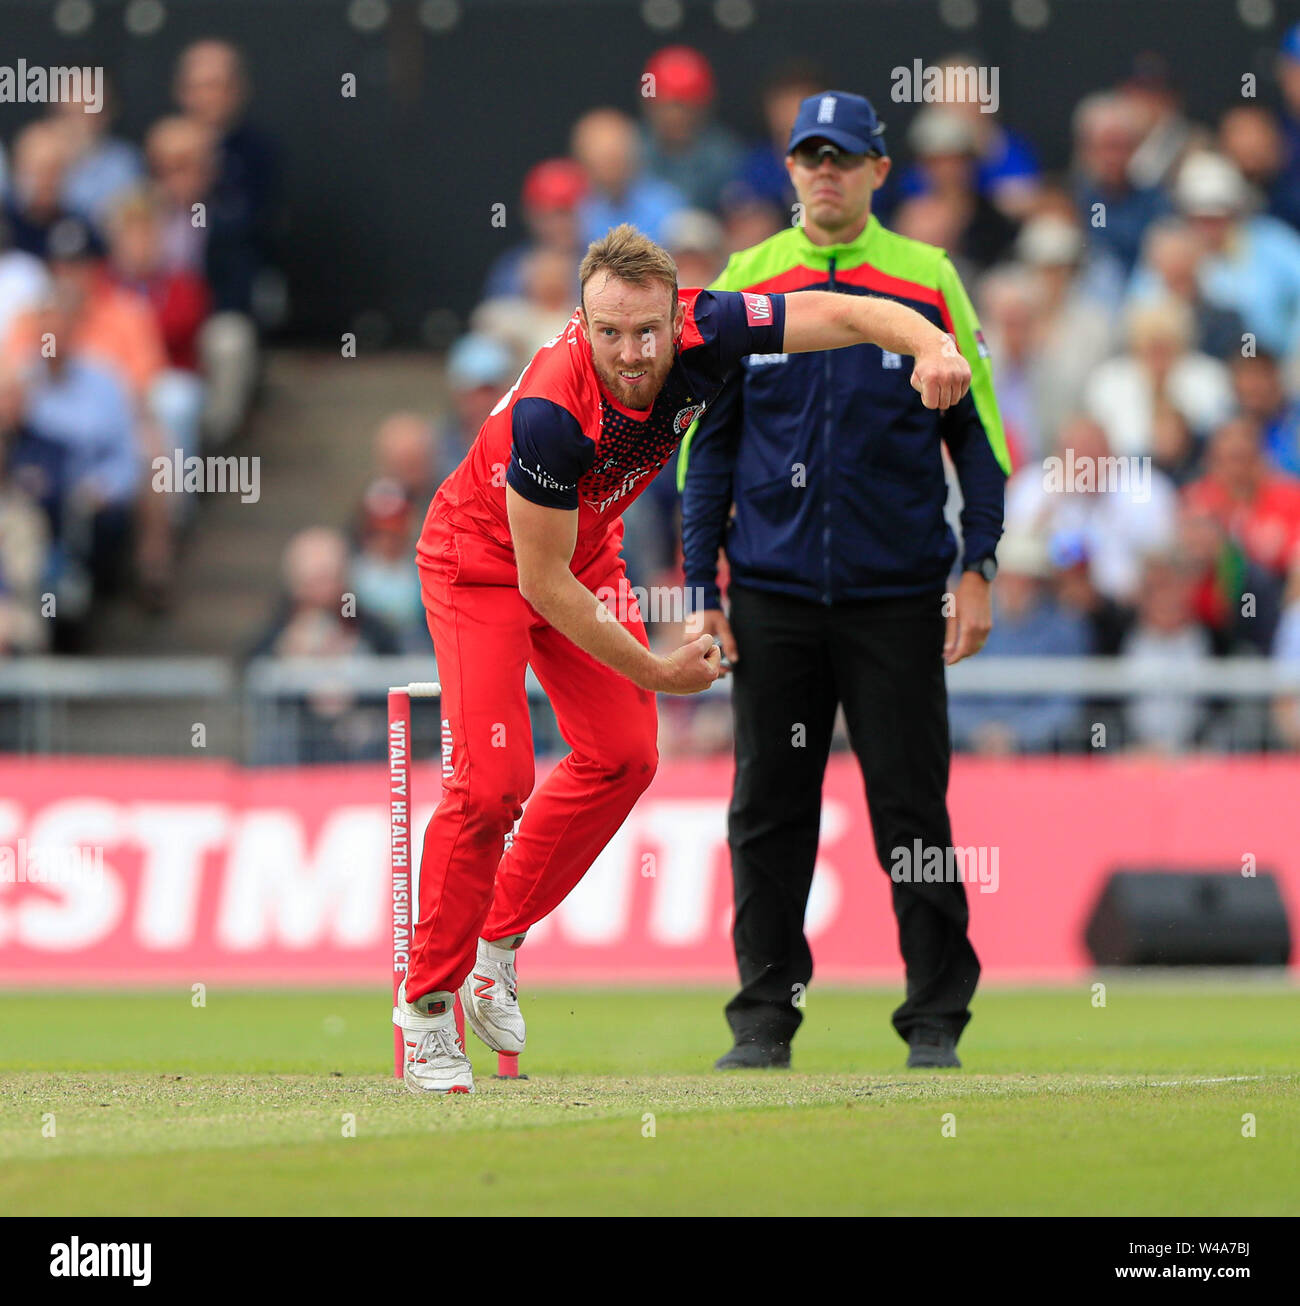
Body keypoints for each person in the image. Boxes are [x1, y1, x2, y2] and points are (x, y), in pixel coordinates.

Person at [395, 222, 972, 1094]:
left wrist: (932, 343)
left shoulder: (716, 326)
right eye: (609, 332)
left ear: (678, 317)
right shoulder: (552, 411)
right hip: (481, 564)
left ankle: (495, 945)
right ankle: (427, 1006)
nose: (630, 354)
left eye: (646, 331)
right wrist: (659, 672)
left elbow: (849, 313)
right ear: (581, 322)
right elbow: (541, 585)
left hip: (584, 552)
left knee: (626, 757)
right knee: (491, 786)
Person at [677, 91, 1007, 1073]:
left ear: (877, 171)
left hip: (894, 595)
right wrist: (700, 589)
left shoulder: (927, 276)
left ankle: (935, 1019)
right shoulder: (745, 279)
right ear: (789, 169)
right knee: (768, 811)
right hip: (772, 595)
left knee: (912, 810)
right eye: (811, 156)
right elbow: (708, 448)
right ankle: (762, 1021)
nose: (826, 171)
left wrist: (979, 565)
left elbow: (978, 438)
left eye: (844, 157)